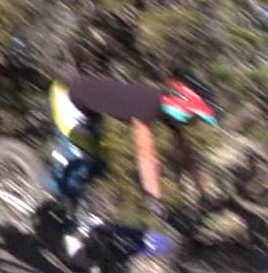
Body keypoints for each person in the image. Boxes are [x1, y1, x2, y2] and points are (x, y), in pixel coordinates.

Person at [46, 73, 219, 261]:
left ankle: (69, 215)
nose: (194, 123)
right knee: (80, 159)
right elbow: (146, 154)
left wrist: (204, 195)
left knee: (99, 165)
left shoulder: (165, 111)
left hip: (87, 110)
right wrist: (154, 198)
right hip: (68, 97)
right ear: (183, 105)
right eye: (195, 117)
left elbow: (188, 156)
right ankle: (49, 198)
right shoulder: (148, 103)